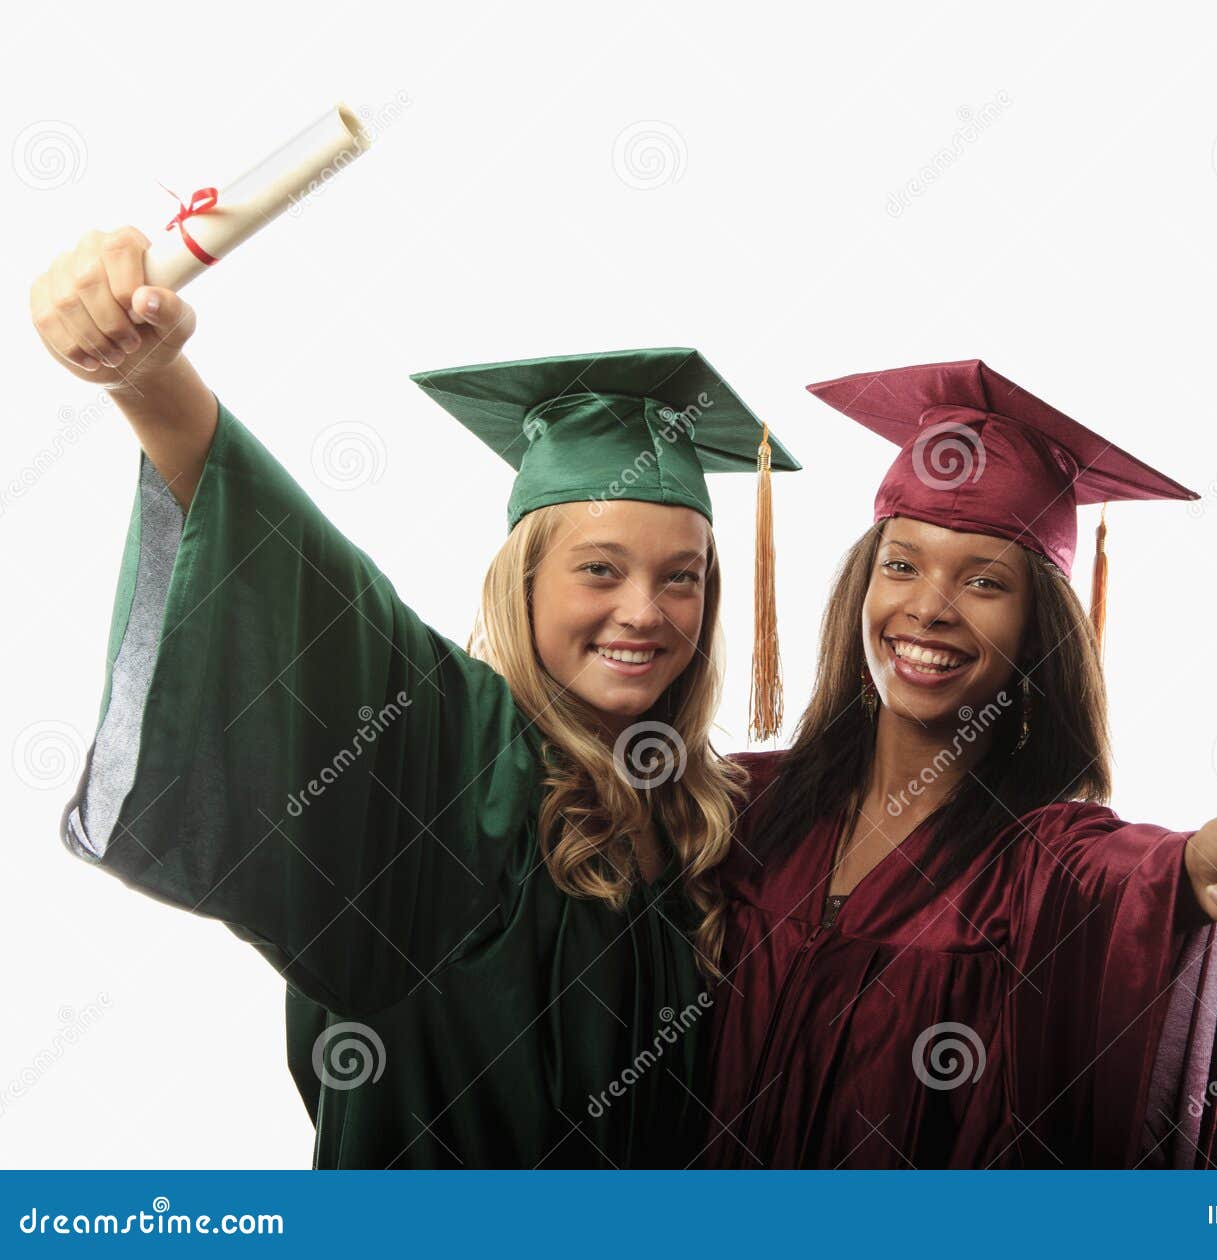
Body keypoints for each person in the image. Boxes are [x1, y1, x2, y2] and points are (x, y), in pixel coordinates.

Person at [29, 226, 800, 1167]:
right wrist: (150, 380)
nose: (644, 611)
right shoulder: (452, 756)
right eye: (599, 569)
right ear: (525, 582)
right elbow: (309, 591)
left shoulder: (706, 816)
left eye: (682, 577)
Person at [700, 358, 1217, 1169]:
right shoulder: (743, 804)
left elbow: (1133, 879)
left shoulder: (1040, 862)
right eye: (901, 564)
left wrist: (1207, 868)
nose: (929, 607)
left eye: (984, 581)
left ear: (1041, 631)